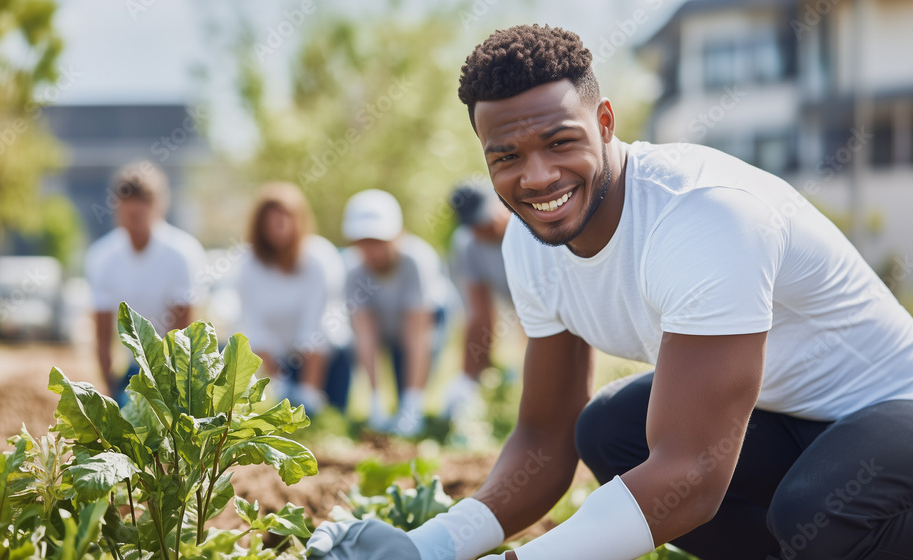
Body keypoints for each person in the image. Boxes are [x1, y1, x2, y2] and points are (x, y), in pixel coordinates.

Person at [308, 24, 913, 560]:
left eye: (559, 141)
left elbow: (694, 475)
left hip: (893, 409)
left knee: (816, 513)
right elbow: (545, 440)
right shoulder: (530, 244)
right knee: (609, 431)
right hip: (789, 420)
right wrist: (426, 547)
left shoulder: (705, 215)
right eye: (507, 156)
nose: (537, 176)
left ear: (605, 122)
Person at [86, 161, 205, 406]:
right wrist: (109, 393)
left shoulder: (182, 254)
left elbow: (183, 335)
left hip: (177, 370)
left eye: (140, 215)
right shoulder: (102, 258)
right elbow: (103, 338)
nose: (134, 223)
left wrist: (177, 393)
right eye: (129, 215)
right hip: (135, 370)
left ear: (158, 207)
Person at [235, 182, 352, 414]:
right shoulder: (248, 265)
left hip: (327, 359)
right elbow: (254, 328)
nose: (279, 225)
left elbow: (316, 326)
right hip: (280, 361)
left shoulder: (319, 259)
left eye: (285, 217)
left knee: (331, 411)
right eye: (271, 219)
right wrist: (280, 383)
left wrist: (309, 391)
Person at [342, 189, 449, 437]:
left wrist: (412, 404)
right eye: (365, 242)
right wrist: (375, 397)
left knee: (407, 392)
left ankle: (413, 406)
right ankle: (386, 408)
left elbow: (418, 335)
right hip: (385, 329)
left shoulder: (417, 261)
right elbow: (365, 337)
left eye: (379, 241)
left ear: (398, 235)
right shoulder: (353, 271)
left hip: (422, 325)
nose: (373, 250)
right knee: (386, 402)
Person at [445, 180, 513, 417]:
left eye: (484, 219)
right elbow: (480, 316)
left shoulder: (527, 229)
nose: (482, 228)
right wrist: (467, 378)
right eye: (474, 224)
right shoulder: (467, 245)